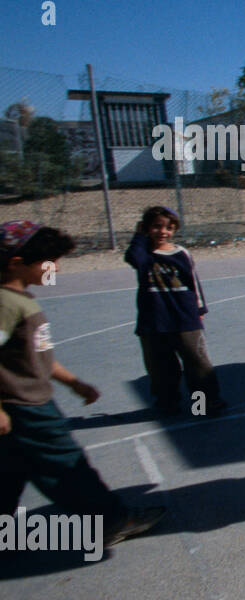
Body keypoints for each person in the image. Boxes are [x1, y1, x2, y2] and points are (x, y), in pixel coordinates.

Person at [1, 221, 165, 548]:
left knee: (8, 474)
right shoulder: (5, 305)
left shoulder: (19, 300)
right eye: (49, 261)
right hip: (28, 409)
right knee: (69, 468)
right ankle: (110, 522)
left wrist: (75, 383)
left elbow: (40, 358)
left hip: (22, 406)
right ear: (16, 263)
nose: (56, 267)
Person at [124, 206, 226, 416]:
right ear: (146, 228)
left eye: (169, 228)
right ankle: (167, 404)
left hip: (184, 320)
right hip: (153, 323)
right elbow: (133, 258)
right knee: (160, 369)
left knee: (197, 366)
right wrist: (139, 235)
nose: (163, 232)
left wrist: (199, 309)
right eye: (157, 226)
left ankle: (203, 406)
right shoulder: (143, 255)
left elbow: (193, 283)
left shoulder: (181, 254)